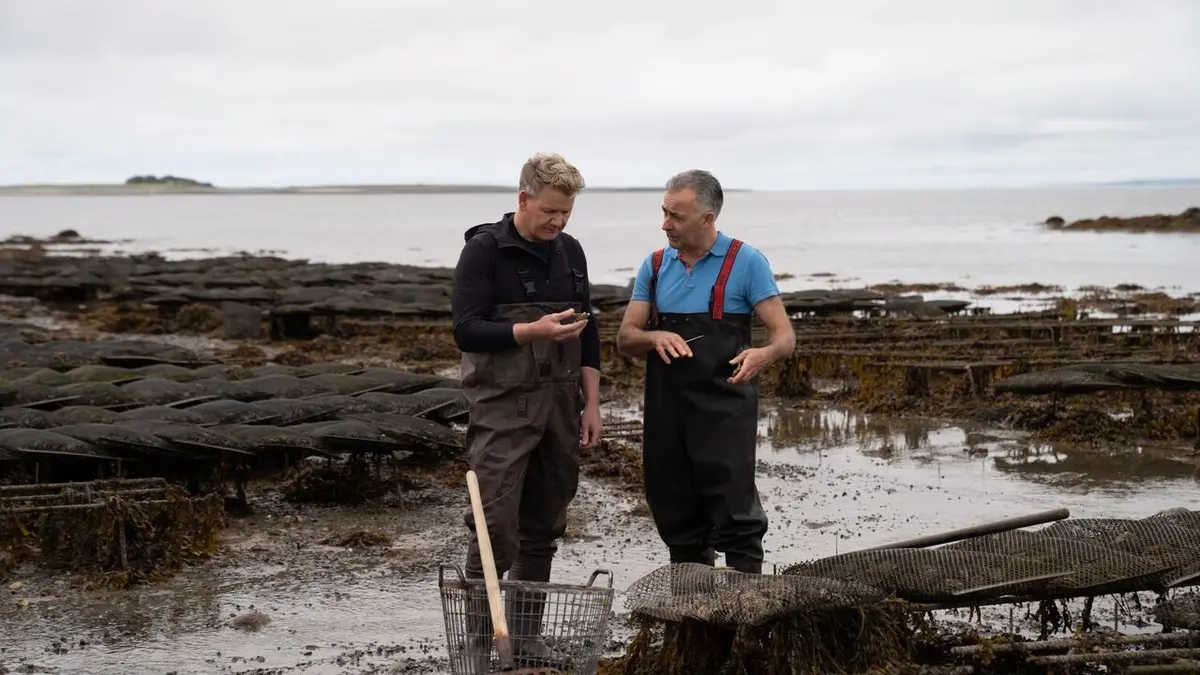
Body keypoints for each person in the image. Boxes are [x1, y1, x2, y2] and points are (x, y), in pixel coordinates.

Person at [450, 152, 602, 671]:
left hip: (562, 405)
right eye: (550, 212)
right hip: (500, 408)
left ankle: (527, 635)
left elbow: (591, 331)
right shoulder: (483, 253)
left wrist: (592, 405)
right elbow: (466, 330)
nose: (558, 223)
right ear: (523, 199)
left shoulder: (572, 253)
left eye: (566, 213)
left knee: (545, 522)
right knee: (494, 526)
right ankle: (476, 640)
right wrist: (531, 331)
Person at [616, 169, 795, 575]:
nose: (665, 224)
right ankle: (691, 621)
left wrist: (763, 354)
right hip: (667, 412)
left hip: (725, 412)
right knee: (676, 513)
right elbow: (626, 338)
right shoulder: (656, 265)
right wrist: (654, 337)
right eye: (664, 212)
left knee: (737, 517)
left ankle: (742, 622)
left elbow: (784, 338)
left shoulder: (746, 262)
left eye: (676, 216)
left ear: (708, 218)